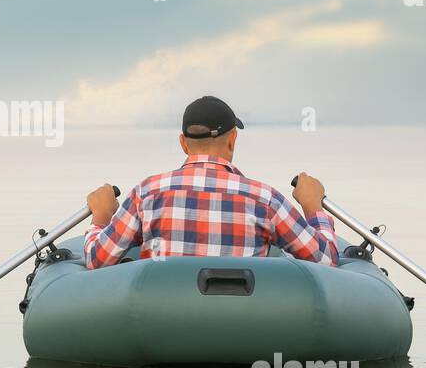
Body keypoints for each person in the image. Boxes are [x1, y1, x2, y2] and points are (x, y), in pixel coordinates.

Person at [83, 96, 338, 269]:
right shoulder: (265, 199)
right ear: (232, 140)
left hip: (161, 331)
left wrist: (101, 218)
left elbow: (97, 260)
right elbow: (325, 260)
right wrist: (313, 208)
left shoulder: (145, 194)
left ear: (183, 143)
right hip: (245, 332)